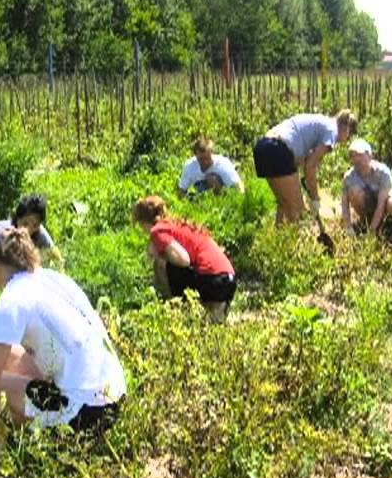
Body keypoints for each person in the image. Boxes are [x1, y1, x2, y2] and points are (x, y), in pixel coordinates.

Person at [0, 226, 127, 436]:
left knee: (0, 387)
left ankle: (33, 444)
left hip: (86, 414)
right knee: (9, 355)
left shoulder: (11, 300)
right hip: (115, 395)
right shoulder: (51, 278)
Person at [131, 195, 237, 323]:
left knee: (161, 263)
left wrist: (158, 254)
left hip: (213, 280)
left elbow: (183, 259)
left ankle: (172, 307)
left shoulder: (158, 231)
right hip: (229, 279)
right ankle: (216, 309)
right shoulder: (175, 225)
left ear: (143, 222)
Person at [252, 109, 358, 223]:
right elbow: (310, 167)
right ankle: (295, 237)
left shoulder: (321, 122)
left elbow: (303, 164)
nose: (345, 142)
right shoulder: (332, 130)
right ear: (347, 130)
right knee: (299, 215)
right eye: (348, 138)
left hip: (263, 147)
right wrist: (315, 199)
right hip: (279, 149)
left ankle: (278, 233)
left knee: (284, 202)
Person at [341, 138, 392, 243]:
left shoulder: (382, 172)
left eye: (359, 155)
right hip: (370, 205)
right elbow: (344, 205)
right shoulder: (349, 177)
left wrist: (371, 232)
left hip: (385, 205)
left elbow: (381, 205)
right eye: (352, 156)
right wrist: (348, 227)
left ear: (369, 156)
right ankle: (366, 220)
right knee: (354, 192)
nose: (356, 159)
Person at [0, 194, 64, 265]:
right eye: (25, 223)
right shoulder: (5, 231)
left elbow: (54, 253)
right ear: (17, 218)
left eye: (35, 225)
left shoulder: (39, 232)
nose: (28, 230)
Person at [177, 137, 245, 198]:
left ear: (211, 154)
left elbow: (238, 185)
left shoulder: (222, 164)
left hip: (223, 193)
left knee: (211, 178)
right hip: (200, 193)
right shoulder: (190, 166)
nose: (205, 161)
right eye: (201, 159)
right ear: (195, 156)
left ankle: (218, 200)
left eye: (207, 158)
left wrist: (241, 198)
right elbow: (182, 190)